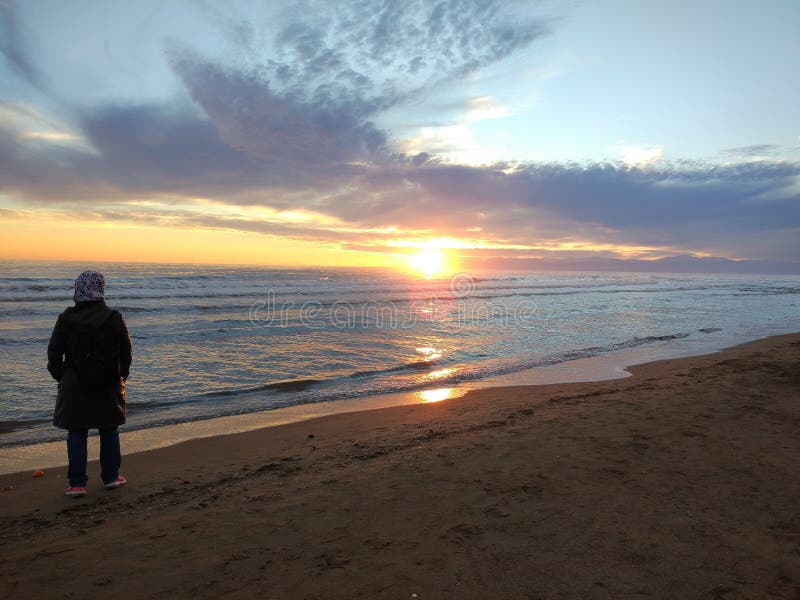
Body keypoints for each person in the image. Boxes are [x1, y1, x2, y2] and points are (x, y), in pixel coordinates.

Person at [47, 270, 132, 498]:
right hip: (108, 383)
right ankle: (111, 477)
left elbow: (53, 357)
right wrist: (120, 377)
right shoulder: (113, 318)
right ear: (101, 289)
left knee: (76, 432)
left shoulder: (66, 319)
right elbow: (126, 353)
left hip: (74, 385)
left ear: (78, 289)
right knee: (109, 428)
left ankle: (77, 484)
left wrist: (64, 378)